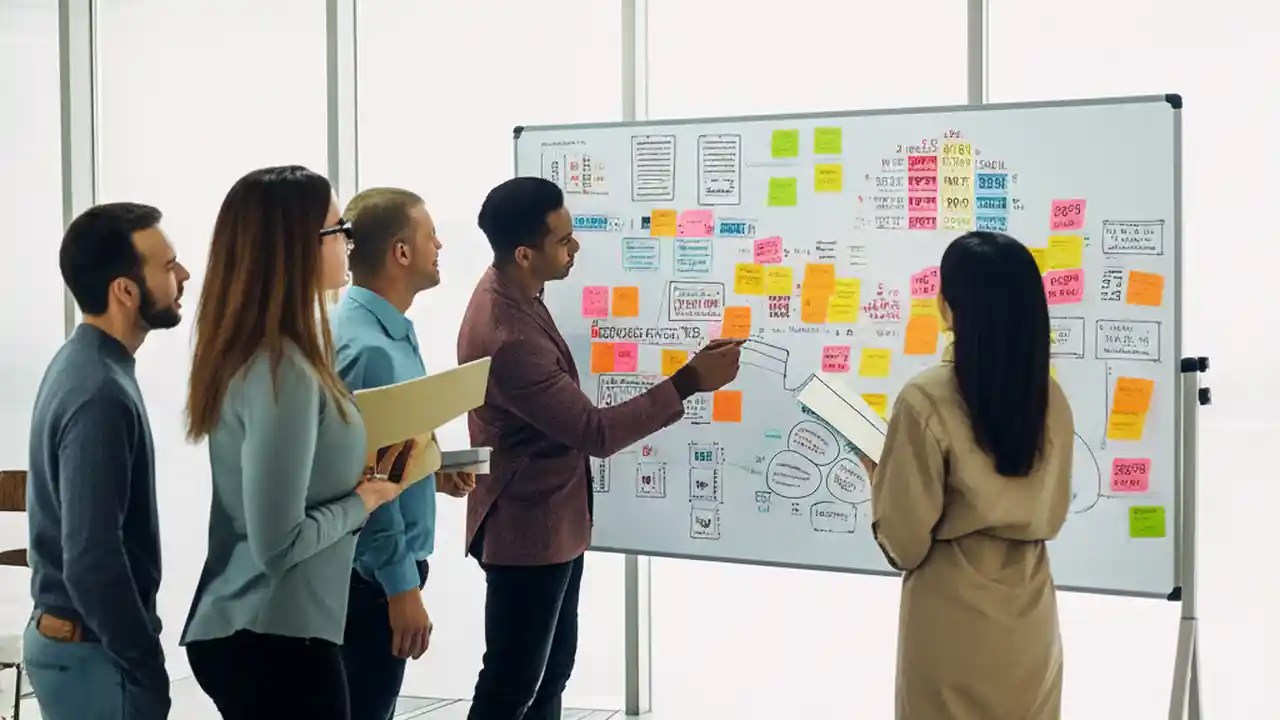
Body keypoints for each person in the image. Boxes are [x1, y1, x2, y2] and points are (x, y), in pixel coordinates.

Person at [457, 176, 744, 720]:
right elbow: (596, 432)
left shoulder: (512, 288)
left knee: (550, 672)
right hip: (528, 530)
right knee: (512, 683)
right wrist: (688, 382)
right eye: (563, 241)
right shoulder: (508, 337)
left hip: (553, 520)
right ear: (524, 253)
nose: (576, 247)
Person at [180, 166, 414, 720]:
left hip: (278, 631)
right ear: (297, 246)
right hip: (269, 636)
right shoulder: (279, 368)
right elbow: (277, 542)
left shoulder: (286, 355)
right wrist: (366, 501)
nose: (349, 242)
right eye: (339, 229)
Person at [862, 231, 1074, 720]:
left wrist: (881, 478)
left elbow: (904, 542)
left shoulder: (925, 398)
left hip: (950, 619)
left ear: (949, 308)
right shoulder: (1051, 399)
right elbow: (1053, 506)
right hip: (1031, 619)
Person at [23, 202, 189, 719]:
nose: (184, 275)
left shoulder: (85, 361)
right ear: (125, 290)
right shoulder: (100, 392)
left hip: (81, 649)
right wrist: (144, 661)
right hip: (95, 657)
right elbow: (93, 556)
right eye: (168, 266)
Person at [331, 187, 476, 720]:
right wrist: (401, 587)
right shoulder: (370, 349)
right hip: (372, 581)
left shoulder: (376, 331)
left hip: (368, 573)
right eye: (429, 234)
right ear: (401, 252)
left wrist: (433, 470)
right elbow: (362, 477)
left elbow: (379, 451)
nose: (439, 244)